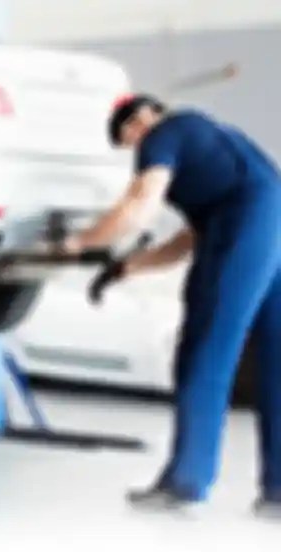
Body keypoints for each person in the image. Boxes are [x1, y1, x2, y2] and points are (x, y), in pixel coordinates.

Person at [63, 95, 281, 515]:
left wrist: (78, 242)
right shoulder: (211, 142)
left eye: (127, 138)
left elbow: (138, 208)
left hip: (249, 225)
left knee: (204, 349)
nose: (134, 148)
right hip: (271, 225)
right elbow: (190, 239)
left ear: (139, 120)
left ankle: (186, 482)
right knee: (275, 359)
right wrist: (129, 267)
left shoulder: (165, 132)